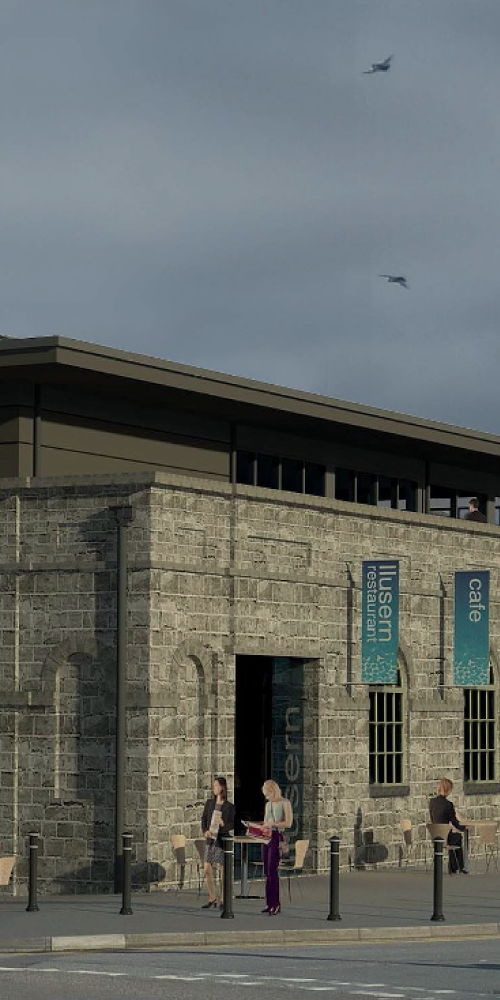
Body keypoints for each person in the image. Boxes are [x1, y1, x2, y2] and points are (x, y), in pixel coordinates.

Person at [200, 776, 235, 908]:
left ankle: (223, 898)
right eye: (213, 786)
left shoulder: (229, 807)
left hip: (222, 839)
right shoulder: (209, 803)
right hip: (210, 838)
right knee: (207, 867)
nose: (213, 788)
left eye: (215, 786)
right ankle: (212, 896)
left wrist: (223, 824)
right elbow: (203, 819)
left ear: (222, 787)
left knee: (222, 869)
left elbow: (232, 824)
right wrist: (205, 830)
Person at [261, 779, 293, 915]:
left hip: (276, 837)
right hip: (266, 837)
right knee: (267, 872)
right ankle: (269, 903)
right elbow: (265, 821)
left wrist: (273, 824)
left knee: (273, 871)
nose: (267, 797)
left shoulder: (285, 803)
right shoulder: (268, 805)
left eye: (268, 794)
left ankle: (276, 903)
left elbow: (288, 823)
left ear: (273, 791)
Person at [429, 777, 468, 874]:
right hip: (445, 835)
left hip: (435, 834)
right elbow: (454, 821)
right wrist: (463, 828)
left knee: (453, 837)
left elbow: (432, 818)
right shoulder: (448, 804)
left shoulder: (432, 802)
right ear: (449, 790)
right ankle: (456, 866)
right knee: (457, 837)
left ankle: (454, 866)